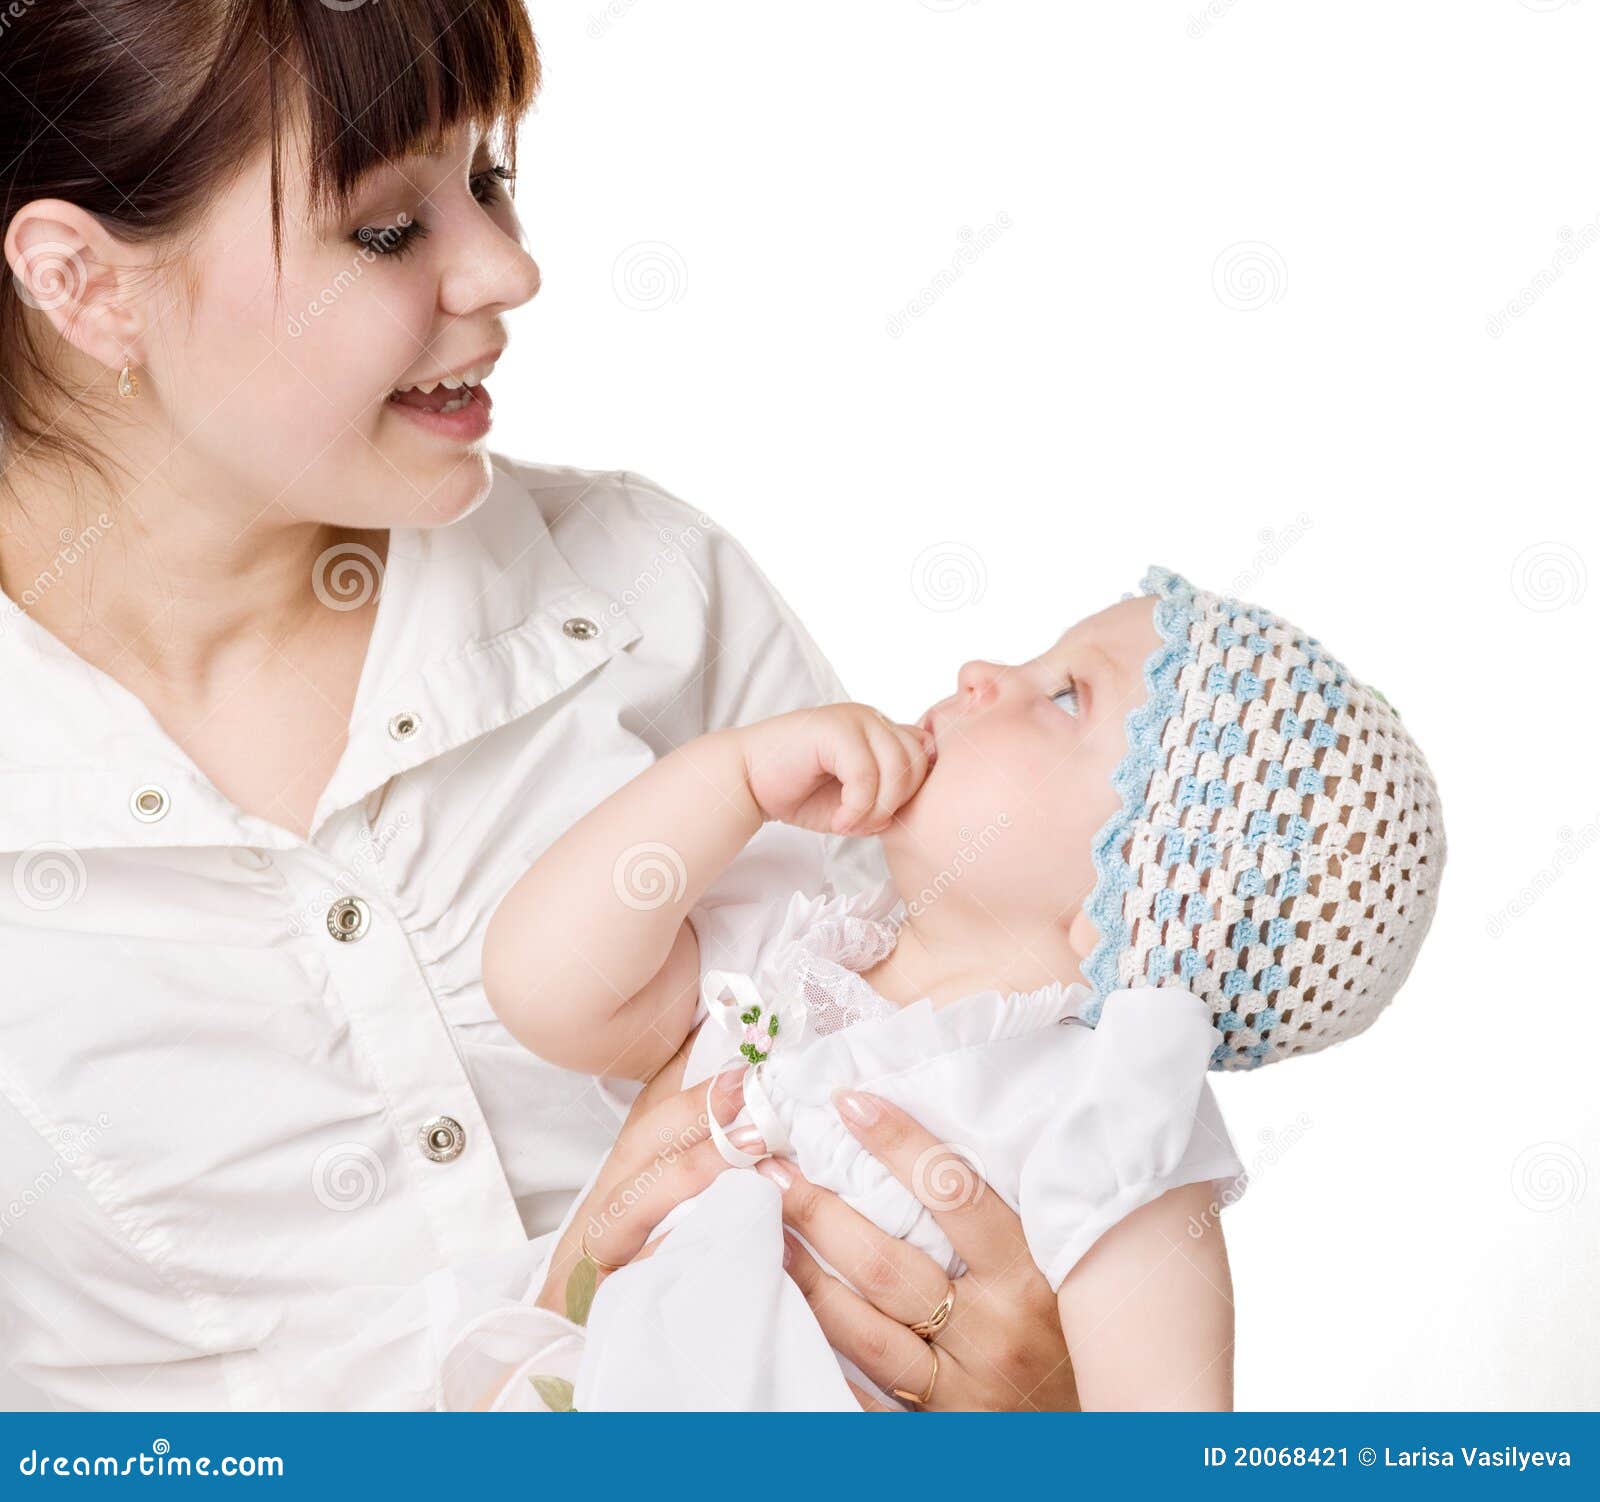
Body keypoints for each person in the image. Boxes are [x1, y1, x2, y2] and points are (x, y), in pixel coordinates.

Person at [0, 1, 1076, 1410]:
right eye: (386, 229)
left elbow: (981, 1099)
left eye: (490, 179)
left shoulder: (652, 596)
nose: (508, 268)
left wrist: (1038, 1424)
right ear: (87, 286)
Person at [455, 566, 1447, 1409]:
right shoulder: (791, 939)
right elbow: (544, 987)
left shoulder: (1113, 1115)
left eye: (1065, 696)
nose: (983, 674)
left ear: (1140, 898)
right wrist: (733, 779)